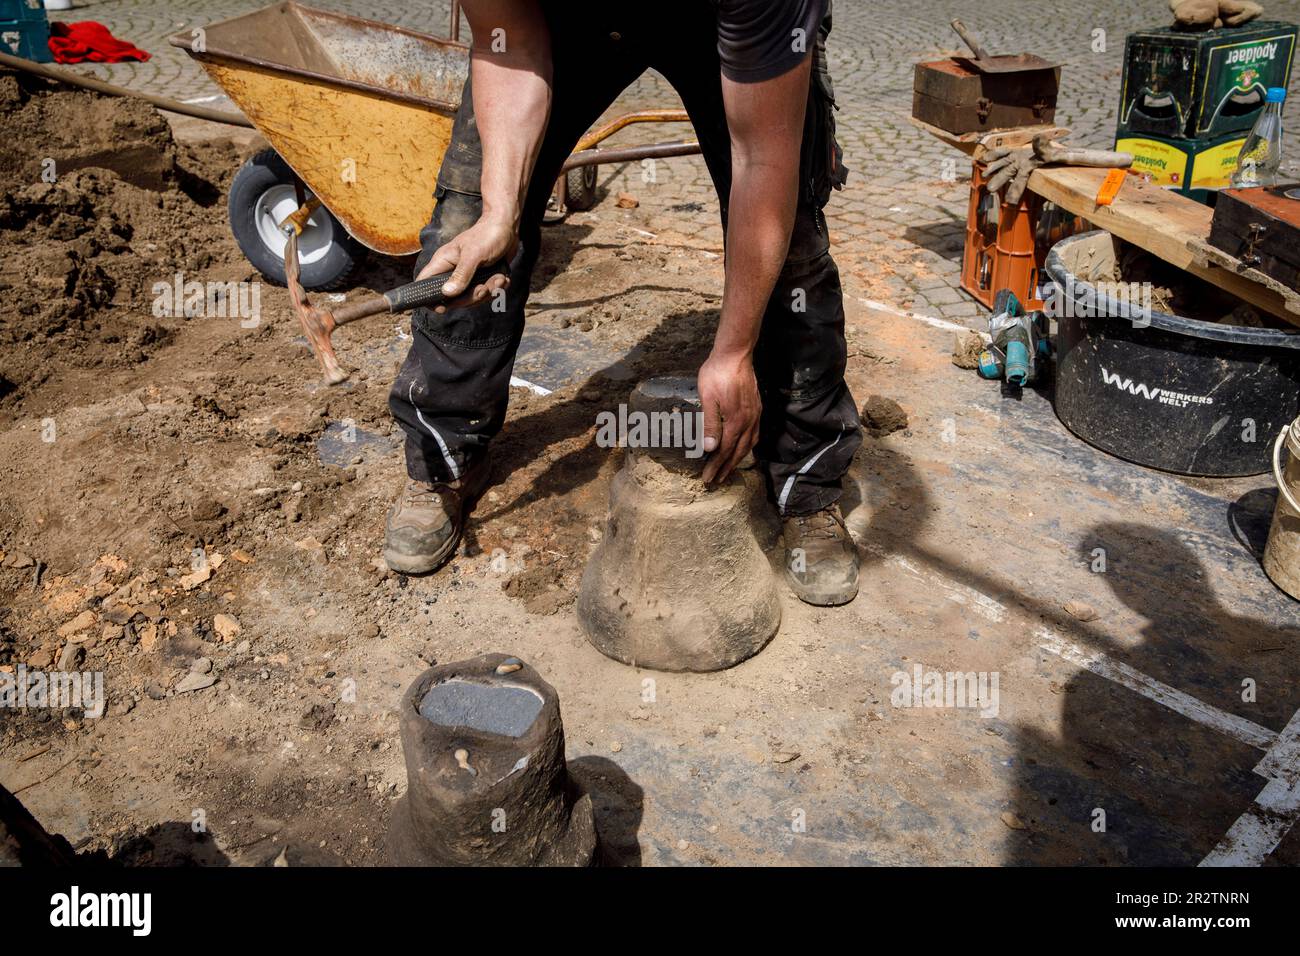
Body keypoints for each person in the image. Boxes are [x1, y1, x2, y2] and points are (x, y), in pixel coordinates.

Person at [385, 0, 863, 605]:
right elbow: (508, 46)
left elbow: (761, 158)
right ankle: (444, 459)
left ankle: (808, 482)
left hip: (724, 17)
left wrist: (733, 350)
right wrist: (499, 217)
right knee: (468, 218)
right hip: (559, 19)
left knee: (791, 239)